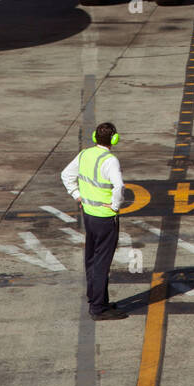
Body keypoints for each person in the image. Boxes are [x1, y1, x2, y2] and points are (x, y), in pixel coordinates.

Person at [61, 121, 127, 321]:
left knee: (92, 258)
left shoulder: (85, 154)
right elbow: (119, 187)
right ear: (114, 139)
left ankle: (97, 299)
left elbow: (66, 175)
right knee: (101, 262)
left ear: (94, 137)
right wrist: (115, 206)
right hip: (105, 219)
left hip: (89, 215)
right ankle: (98, 308)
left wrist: (77, 195)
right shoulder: (110, 160)